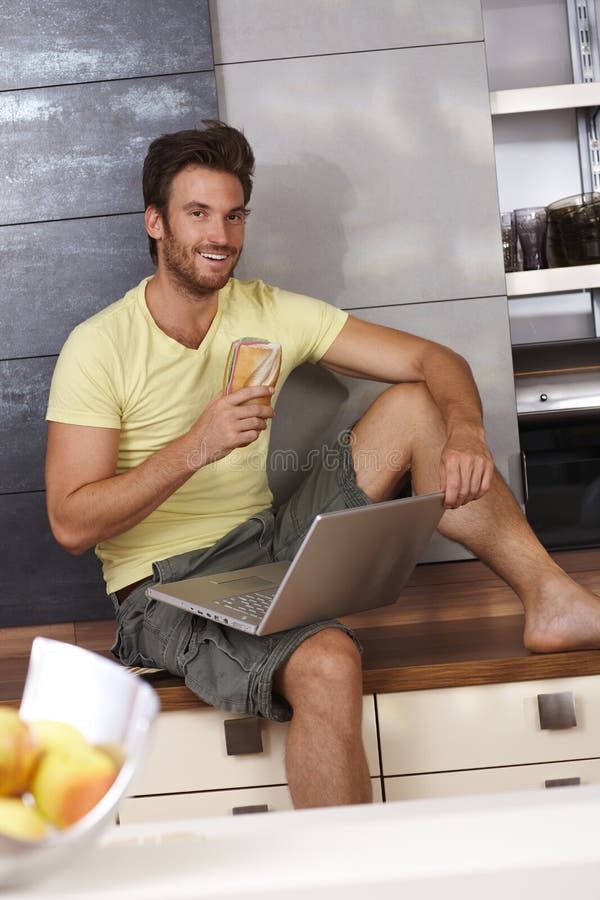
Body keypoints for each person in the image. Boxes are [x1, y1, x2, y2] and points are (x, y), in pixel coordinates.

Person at [45, 120, 600, 810]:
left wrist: (465, 433)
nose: (219, 235)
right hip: (162, 588)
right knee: (332, 662)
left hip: (265, 545)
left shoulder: (267, 310)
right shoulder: (99, 346)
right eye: (197, 214)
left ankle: (550, 597)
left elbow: (435, 361)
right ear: (156, 223)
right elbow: (71, 522)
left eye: (232, 214)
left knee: (416, 406)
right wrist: (198, 444)